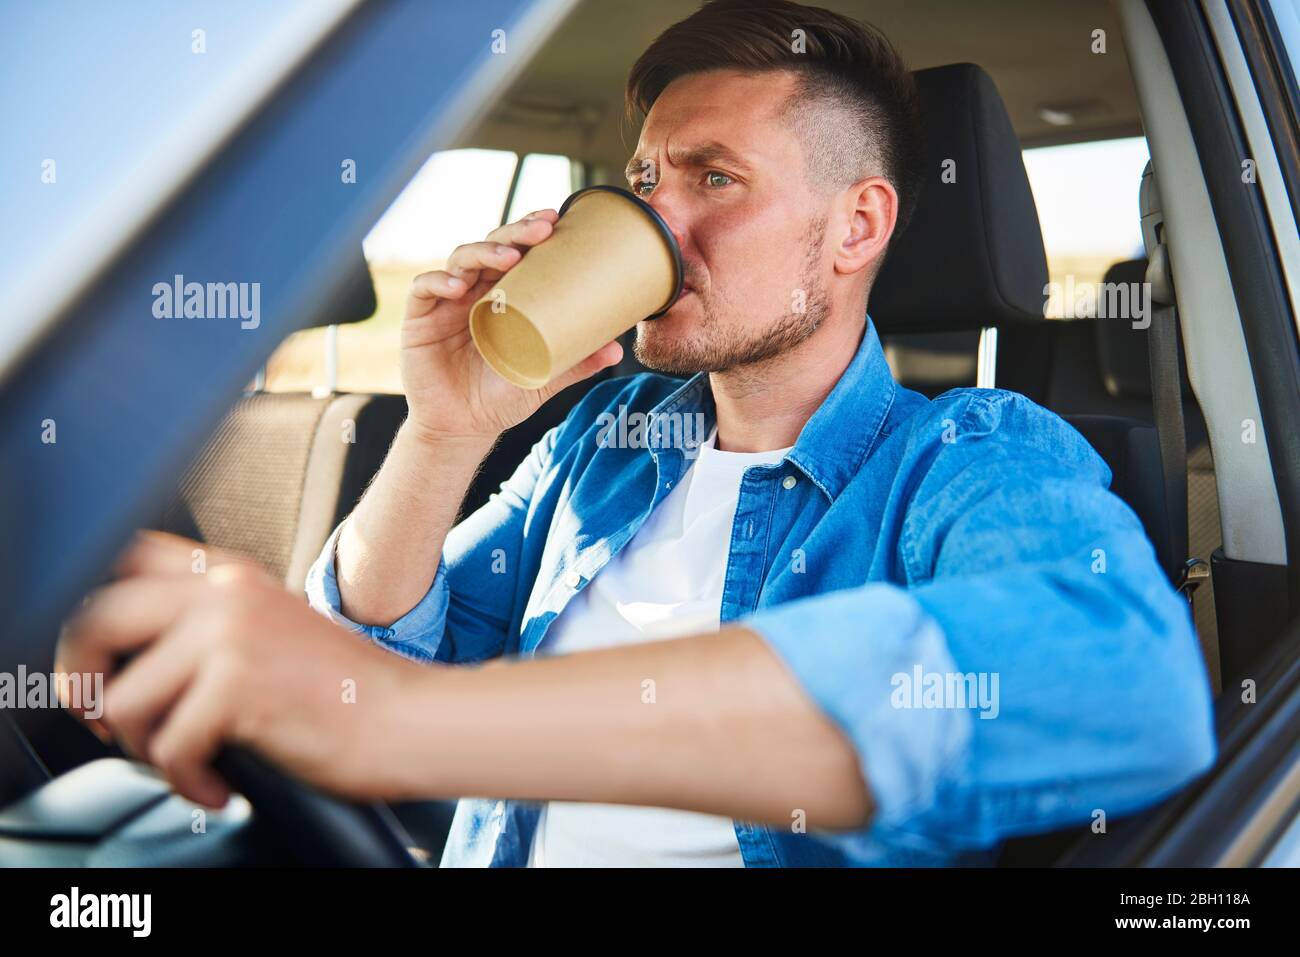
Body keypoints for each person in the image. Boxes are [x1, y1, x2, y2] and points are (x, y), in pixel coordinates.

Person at [59, 0, 1215, 867]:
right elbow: (380, 667)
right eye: (645, 178)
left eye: (715, 179)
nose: (656, 219)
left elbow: (1122, 680)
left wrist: (411, 730)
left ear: (858, 225)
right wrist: (444, 432)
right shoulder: (607, 439)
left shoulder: (966, 454)